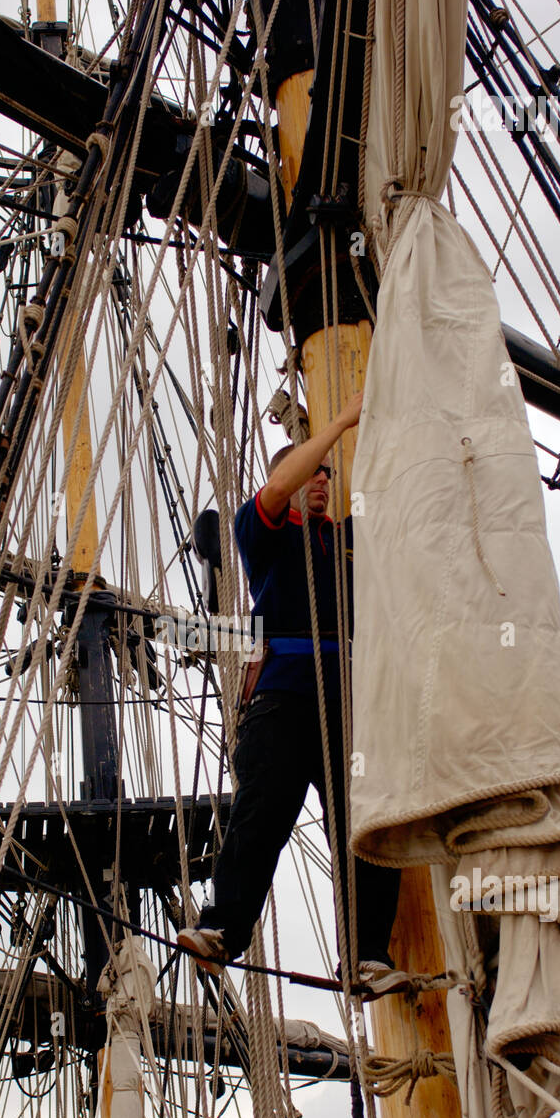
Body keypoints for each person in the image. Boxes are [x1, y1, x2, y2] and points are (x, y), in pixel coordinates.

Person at [177, 394, 402, 989]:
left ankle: (367, 955)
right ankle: (224, 927)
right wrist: (339, 422)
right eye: (313, 472)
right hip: (282, 700)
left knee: (368, 825)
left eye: (329, 475)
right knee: (263, 814)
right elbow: (280, 488)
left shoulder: (352, 541)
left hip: (353, 703)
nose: (322, 482)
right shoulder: (263, 534)